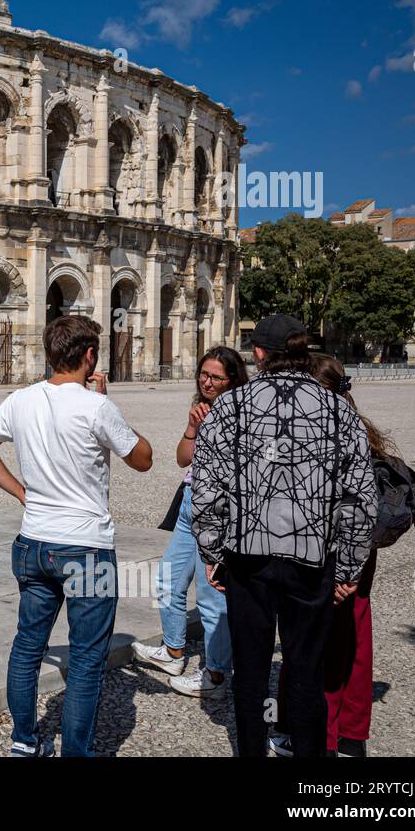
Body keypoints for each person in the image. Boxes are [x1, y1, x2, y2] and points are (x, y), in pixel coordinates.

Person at [191, 314, 377, 758]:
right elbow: (360, 498)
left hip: (248, 556)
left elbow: (205, 491)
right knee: (307, 670)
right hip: (312, 559)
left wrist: (213, 553)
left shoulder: (230, 408)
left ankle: (252, 751)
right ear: (302, 352)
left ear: (258, 354)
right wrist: (349, 566)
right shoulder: (336, 408)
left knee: (251, 673)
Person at [0, 315, 153, 757]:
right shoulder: (96, 407)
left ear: (49, 353)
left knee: (27, 646)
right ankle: (76, 751)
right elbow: (143, 459)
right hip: (86, 547)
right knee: (88, 659)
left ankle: (23, 740)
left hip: (33, 542)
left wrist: (22, 493)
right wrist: (111, 409)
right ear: (90, 356)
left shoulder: (20, 400)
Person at [269, 353, 394, 757]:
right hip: (358, 548)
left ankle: (305, 731)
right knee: (353, 639)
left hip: (321, 549)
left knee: (305, 640)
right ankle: (351, 737)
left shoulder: (320, 426)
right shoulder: (358, 426)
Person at [132, 346, 249, 698]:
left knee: (213, 596)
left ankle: (214, 673)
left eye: (216, 377)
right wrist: (192, 426)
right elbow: (184, 459)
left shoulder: (243, 412)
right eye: (204, 374)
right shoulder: (200, 409)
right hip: (189, 502)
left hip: (218, 509)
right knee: (169, 579)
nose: (208, 382)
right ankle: (173, 651)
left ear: (232, 380)